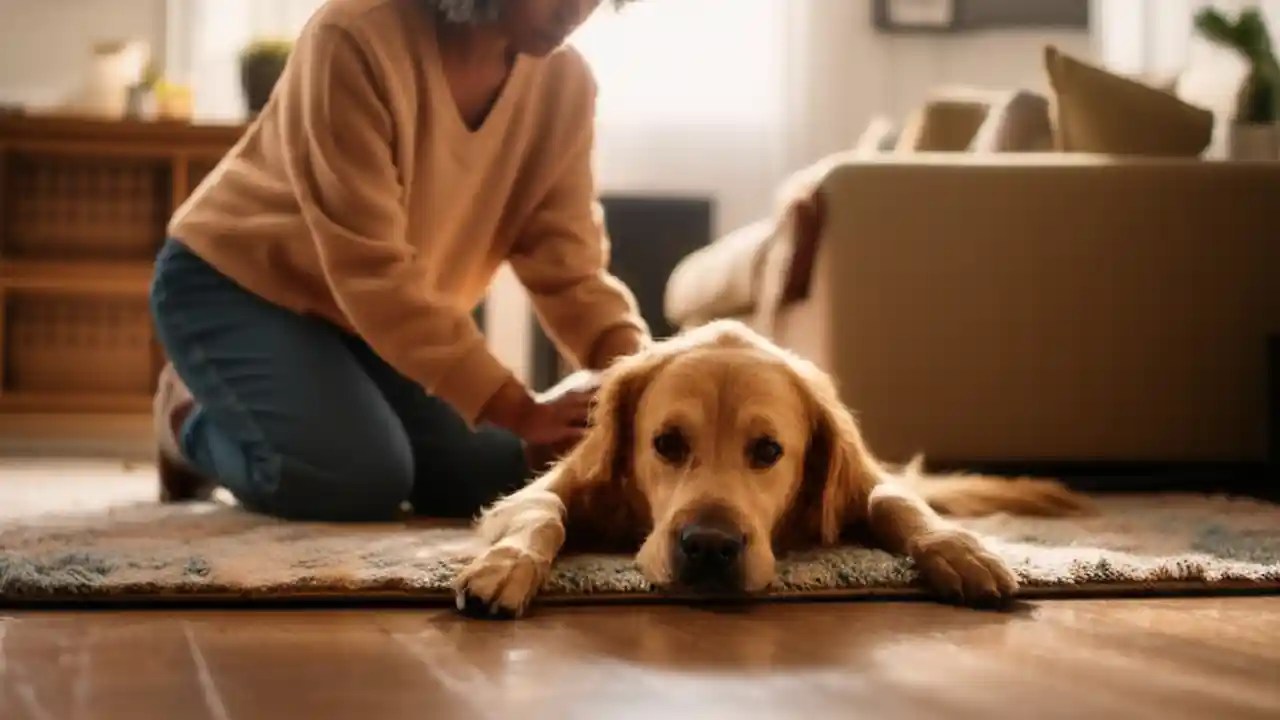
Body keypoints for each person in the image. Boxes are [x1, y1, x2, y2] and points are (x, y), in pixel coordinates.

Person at [149, 0, 648, 523]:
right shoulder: (352, 37)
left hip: (370, 325)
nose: (580, 7)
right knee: (354, 479)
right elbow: (371, 271)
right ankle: (186, 420)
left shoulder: (565, 85)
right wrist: (520, 409)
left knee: (495, 474)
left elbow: (570, 270)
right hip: (233, 284)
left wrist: (642, 377)